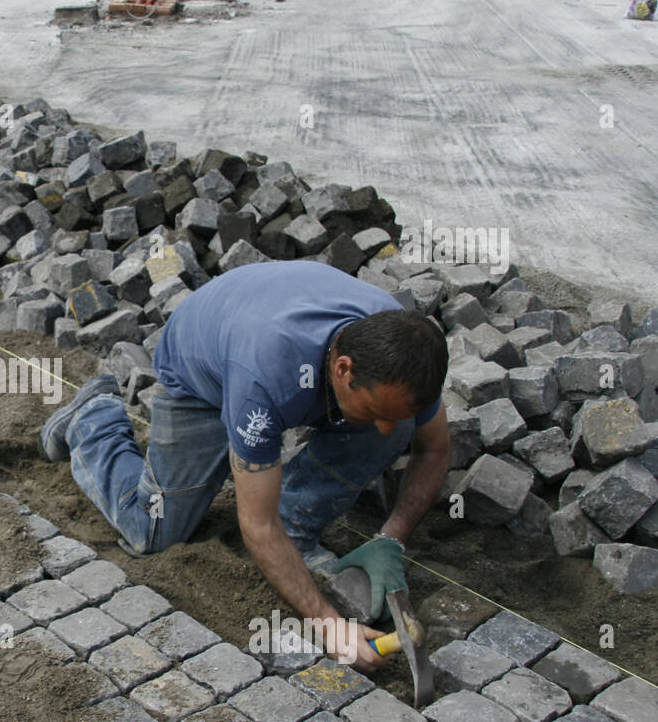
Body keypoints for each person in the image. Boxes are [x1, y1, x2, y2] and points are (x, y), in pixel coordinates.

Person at [40, 259, 452, 672]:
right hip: (200, 373)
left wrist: (392, 539)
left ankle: (298, 527)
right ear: (344, 370)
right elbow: (258, 524)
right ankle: (94, 418)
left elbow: (433, 450)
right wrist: (330, 626)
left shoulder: (406, 361)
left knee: (397, 428)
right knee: (152, 528)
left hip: (263, 323)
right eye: (377, 409)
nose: (383, 425)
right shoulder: (266, 377)